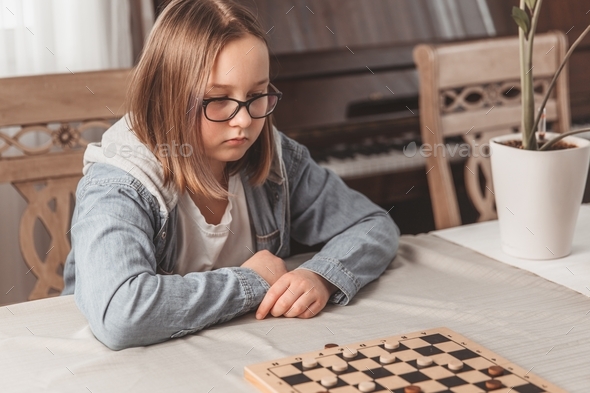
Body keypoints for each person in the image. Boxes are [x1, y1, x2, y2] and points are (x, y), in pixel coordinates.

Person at [62, 0, 399, 350]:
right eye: (218, 99)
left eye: (256, 95)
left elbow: (374, 224)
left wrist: (322, 275)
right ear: (168, 97)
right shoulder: (119, 184)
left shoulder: (271, 155)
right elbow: (121, 315)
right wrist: (252, 281)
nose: (245, 121)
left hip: (241, 350)